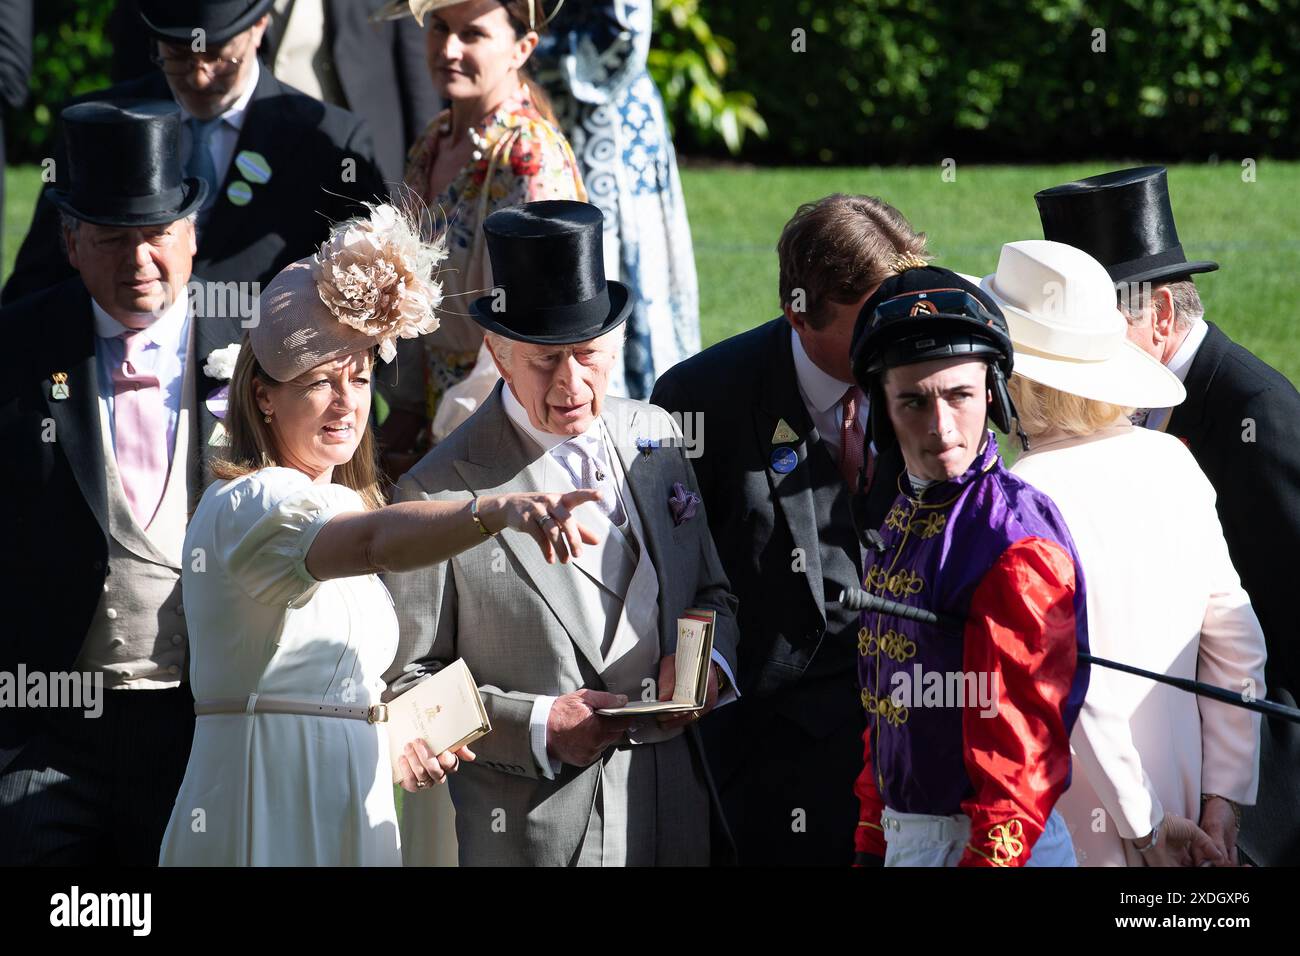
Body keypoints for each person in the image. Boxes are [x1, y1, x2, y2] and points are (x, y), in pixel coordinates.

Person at [157, 201, 602, 865]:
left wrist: (400, 734)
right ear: (264, 396)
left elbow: (336, 685)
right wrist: (495, 510)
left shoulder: (336, 499)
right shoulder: (248, 502)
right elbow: (370, 541)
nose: (345, 404)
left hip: (351, 804)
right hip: (267, 802)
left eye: (359, 378)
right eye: (318, 383)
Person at [384, 200, 740, 866]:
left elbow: (713, 591)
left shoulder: (657, 435)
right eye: (547, 362)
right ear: (498, 351)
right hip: (537, 833)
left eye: (589, 356)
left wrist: (703, 667)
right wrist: (543, 728)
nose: (573, 383)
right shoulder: (437, 492)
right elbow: (409, 686)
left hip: (676, 814)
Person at [0, 101, 243, 864]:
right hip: (49, 726)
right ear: (71, 244)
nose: (139, 262)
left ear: (192, 235)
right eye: (111, 240)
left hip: (205, 719)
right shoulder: (17, 348)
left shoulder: (254, 347)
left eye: (156, 237)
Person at [1035, 166, 1300, 866]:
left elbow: (1281, 627)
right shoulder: (1115, 422)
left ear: (1157, 316)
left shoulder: (1256, 414)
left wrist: (1236, 804)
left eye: (1097, 321)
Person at [650, 194, 925, 865]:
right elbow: (677, 574)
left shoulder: (928, 369)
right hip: (769, 750)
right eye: (868, 326)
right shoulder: (698, 400)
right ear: (799, 316)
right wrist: (699, 672)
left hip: (915, 723)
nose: (894, 340)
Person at [981, 239, 1267, 866]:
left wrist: (1144, 823)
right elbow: (1237, 642)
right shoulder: (1173, 462)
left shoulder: (1021, 499)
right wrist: (1222, 802)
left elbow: (1074, 677)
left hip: (1085, 832)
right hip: (1195, 830)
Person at [846, 264, 1088, 867]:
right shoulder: (909, 510)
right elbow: (888, 704)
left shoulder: (1014, 543)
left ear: (993, 394)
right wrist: (872, 840)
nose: (942, 429)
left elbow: (1021, 757)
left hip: (985, 848)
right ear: (882, 408)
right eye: (913, 402)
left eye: (960, 395)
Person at [3, 0, 386, 306]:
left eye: (219, 55)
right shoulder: (100, 126)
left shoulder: (329, 140)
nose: (199, 76)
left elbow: (364, 298)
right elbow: (38, 283)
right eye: (178, 55)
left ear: (259, 26)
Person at [375, 0, 587, 471]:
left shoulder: (529, 154)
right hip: (438, 405)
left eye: (472, 35)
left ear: (522, 48)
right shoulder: (433, 140)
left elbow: (540, 324)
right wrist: (409, 408)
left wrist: (456, 434)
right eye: (440, 28)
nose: (448, 48)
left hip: (512, 416)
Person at [534, 0, 700, 399]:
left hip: (609, 132)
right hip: (549, 118)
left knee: (616, 267)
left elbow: (620, 35)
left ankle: (633, 414)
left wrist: (521, 50)